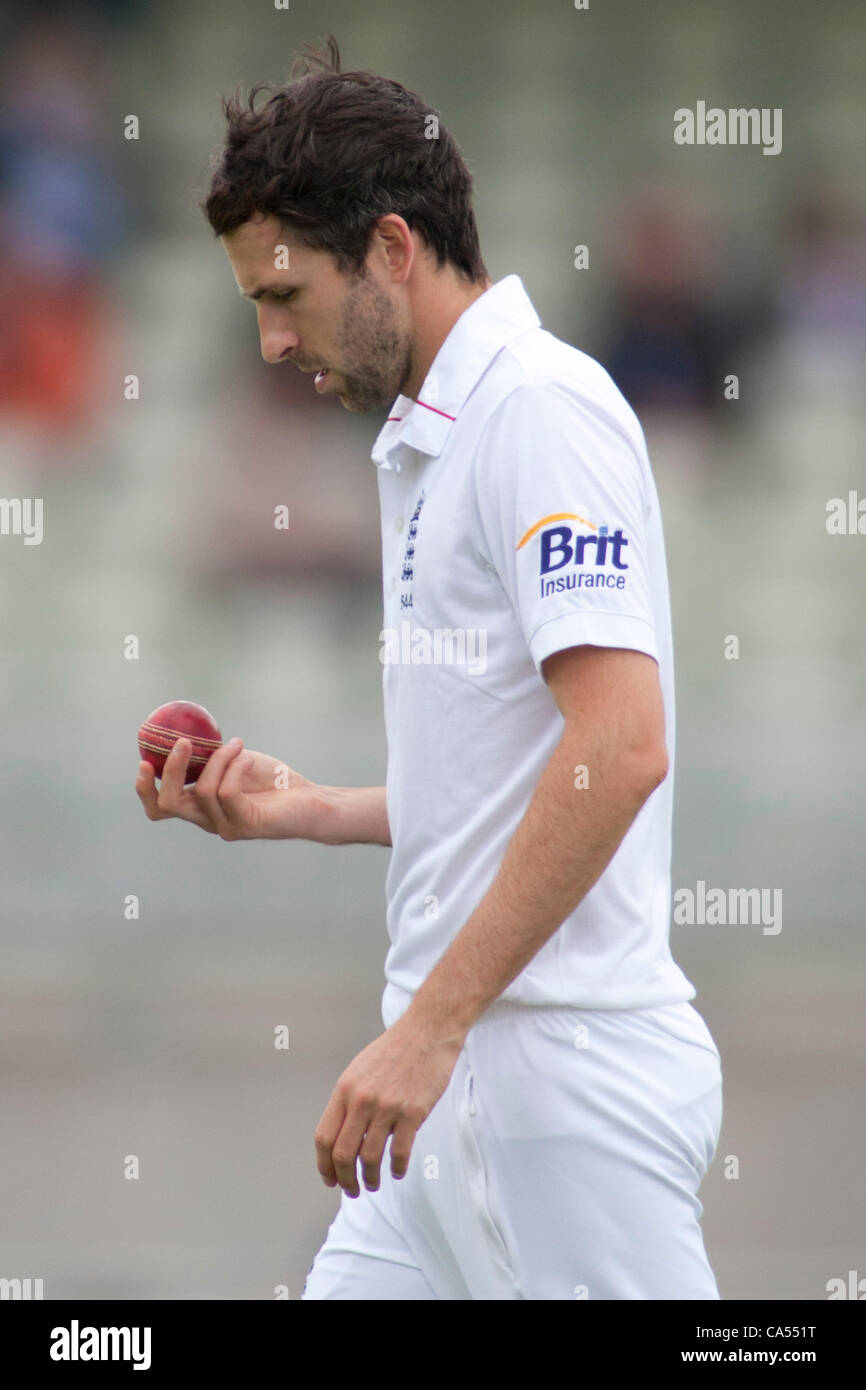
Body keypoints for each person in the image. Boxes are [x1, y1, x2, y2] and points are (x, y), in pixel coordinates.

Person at [137, 36, 723, 1300]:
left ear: (391, 249)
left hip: (552, 1084)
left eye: (281, 298)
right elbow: (512, 784)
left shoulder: (537, 412)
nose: (270, 347)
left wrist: (433, 1024)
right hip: (437, 1102)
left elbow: (616, 750)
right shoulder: (430, 434)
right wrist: (307, 812)